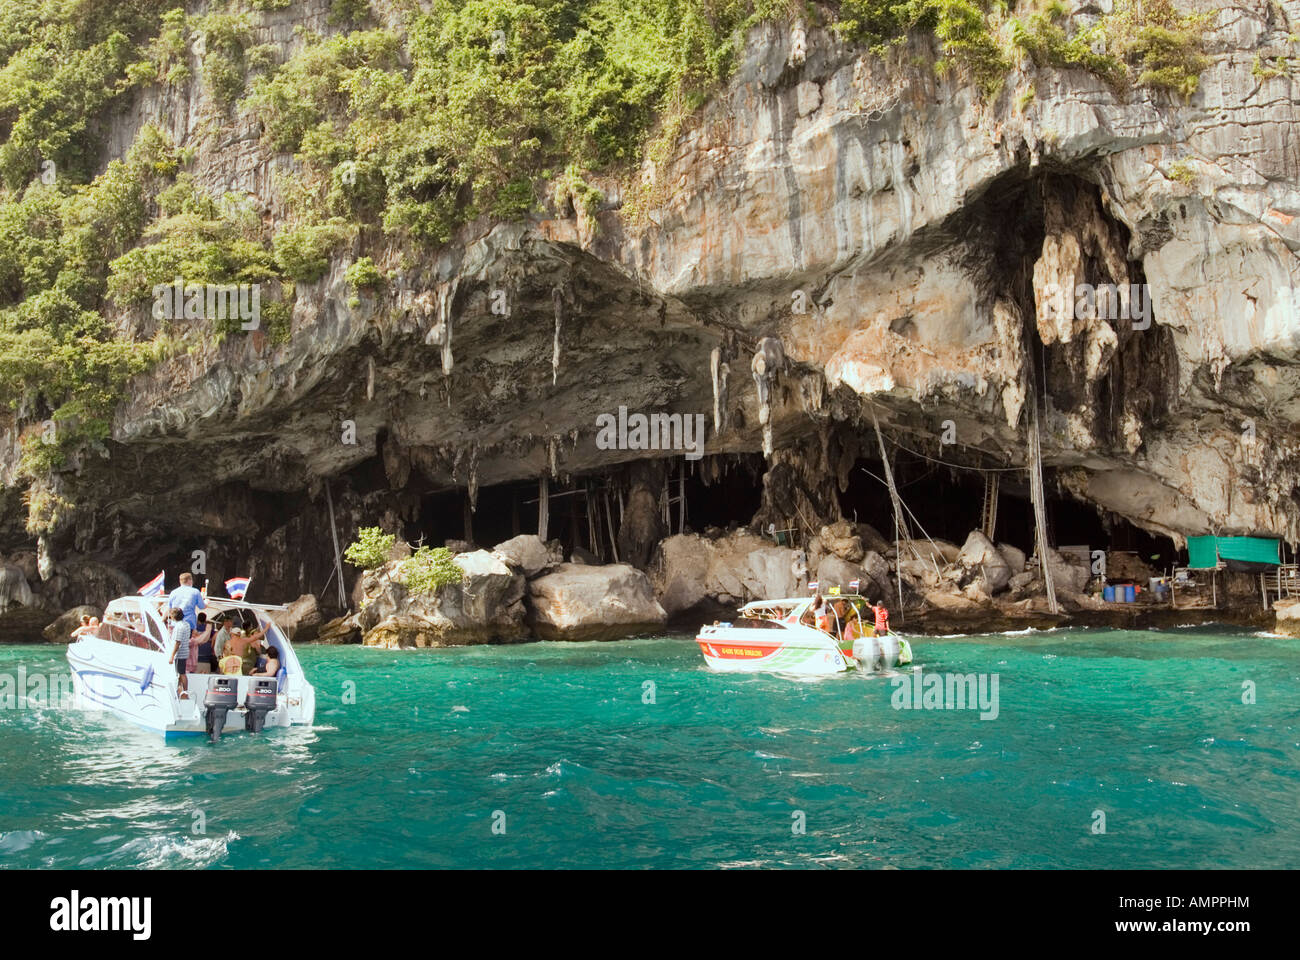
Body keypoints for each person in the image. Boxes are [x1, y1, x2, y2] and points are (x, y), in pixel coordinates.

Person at [166, 607, 192, 698]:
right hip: (185, 651)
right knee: (181, 673)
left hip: (180, 653)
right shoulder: (186, 624)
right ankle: (181, 691)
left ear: (173, 616)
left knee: (181, 673)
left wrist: (172, 656)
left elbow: (178, 642)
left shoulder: (179, 627)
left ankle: (184, 692)